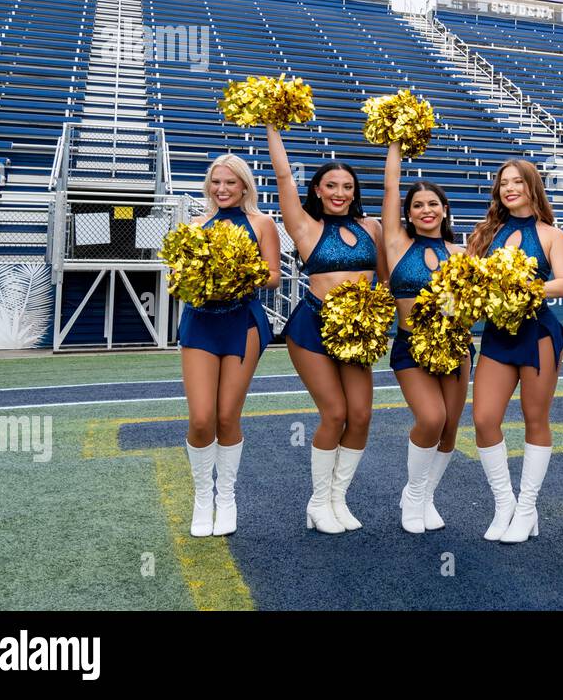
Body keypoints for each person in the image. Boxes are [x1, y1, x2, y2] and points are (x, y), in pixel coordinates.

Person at [267, 125, 388, 534]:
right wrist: (271, 124)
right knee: (334, 413)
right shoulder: (304, 226)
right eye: (331, 185)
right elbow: (284, 176)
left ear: (355, 192)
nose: (340, 192)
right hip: (312, 328)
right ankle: (318, 502)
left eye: (347, 186)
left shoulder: (372, 228)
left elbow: (385, 281)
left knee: (361, 415)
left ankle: (339, 497)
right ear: (317, 189)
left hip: (359, 332)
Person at [468, 160, 563, 543]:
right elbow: (468, 282)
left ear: (532, 187)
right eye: (503, 183)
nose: (509, 188)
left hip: (537, 333)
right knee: (484, 419)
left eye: (517, 182)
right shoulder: (486, 235)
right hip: (497, 334)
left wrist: (518, 287)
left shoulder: (551, 234)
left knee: (535, 418)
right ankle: (504, 505)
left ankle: (527, 509)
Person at [178, 155, 280, 538]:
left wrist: (238, 274)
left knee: (227, 416)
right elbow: (180, 275)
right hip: (201, 321)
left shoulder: (262, 223)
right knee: (202, 418)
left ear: (244, 187)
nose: (222, 189)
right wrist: (198, 276)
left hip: (243, 321)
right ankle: (203, 497)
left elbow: (273, 276)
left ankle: (227, 496)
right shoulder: (195, 225)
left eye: (230, 183)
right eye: (216, 182)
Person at [382, 141, 472, 534]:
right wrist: (396, 140)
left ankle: (425, 495)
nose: (426, 210)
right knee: (431, 418)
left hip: (456, 347)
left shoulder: (461, 252)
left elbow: (471, 307)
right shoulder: (398, 245)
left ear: (445, 209)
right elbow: (389, 188)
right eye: (417, 205)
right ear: (408, 214)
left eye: (432, 204)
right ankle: (413, 494)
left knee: (450, 427)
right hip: (410, 347)